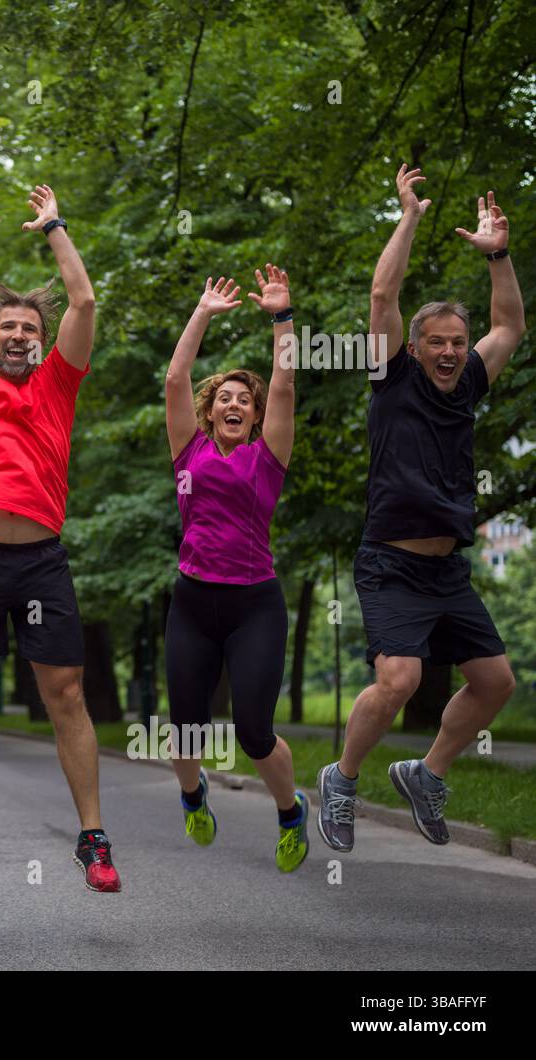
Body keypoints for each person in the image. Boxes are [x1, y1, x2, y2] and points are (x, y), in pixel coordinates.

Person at [318, 168, 525, 851]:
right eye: (435, 341)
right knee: (399, 678)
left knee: (496, 683)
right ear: (414, 346)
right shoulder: (391, 376)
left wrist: (498, 253)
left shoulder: (467, 384)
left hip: (448, 569)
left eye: (456, 343)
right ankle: (343, 780)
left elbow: (510, 324)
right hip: (391, 563)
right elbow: (383, 291)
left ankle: (426, 773)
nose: (447, 352)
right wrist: (409, 215)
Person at [0, 181, 116, 896]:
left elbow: (86, 302)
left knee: (66, 694)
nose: (18, 336)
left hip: (40, 561)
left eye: (28, 330)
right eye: (7, 328)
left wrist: (55, 226)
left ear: (42, 341)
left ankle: (92, 837)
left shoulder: (61, 382)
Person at [163, 267, 309, 872]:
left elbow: (284, 386)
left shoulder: (267, 456)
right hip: (194, 603)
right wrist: (202, 310)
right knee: (186, 728)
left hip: (254, 604)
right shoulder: (188, 450)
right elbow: (175, 377)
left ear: (253, 418)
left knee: (252, 729)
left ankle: (290, 811)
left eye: (242, 401)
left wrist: (282, 318)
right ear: (209, 411)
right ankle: (194, 796)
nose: (233, 403)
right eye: (223, 397)